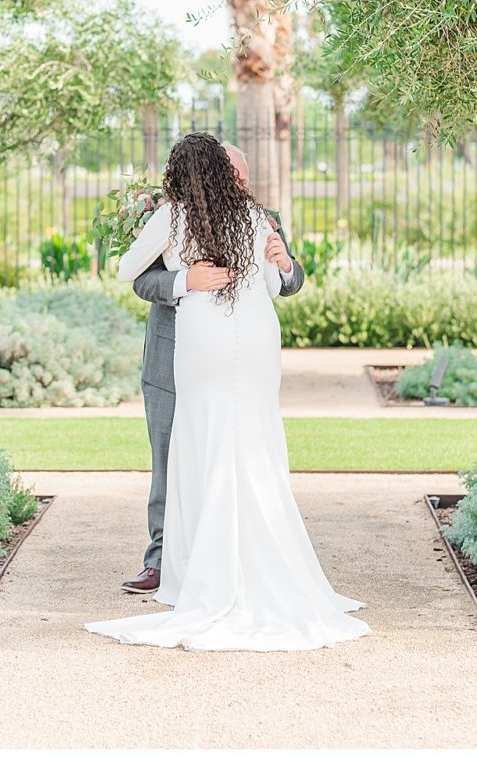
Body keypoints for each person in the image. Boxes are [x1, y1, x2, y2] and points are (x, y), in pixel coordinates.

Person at [87, 132, 366, 650]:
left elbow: (128, 268)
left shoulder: (176, 218)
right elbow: (258, 289)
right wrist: (184, 278)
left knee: (202, 450)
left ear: (180, 174)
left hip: (207, 349)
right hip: (254, 347)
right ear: (222, 171)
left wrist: (284, 263)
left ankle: (200, 573)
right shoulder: (252, 219)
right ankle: (235, 564)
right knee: (247, 448)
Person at [120, 141, 305, 595]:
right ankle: (164, 560)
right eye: (233, 175)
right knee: (171, 455)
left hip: (232, 355)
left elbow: (283, 284)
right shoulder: (172, 214)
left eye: (243, 176)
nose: (239, 183)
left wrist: (286, 265)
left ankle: (230, 558)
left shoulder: (258, 218)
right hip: (175, 353)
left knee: (235, 447)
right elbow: (140, 277)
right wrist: (186, 280)